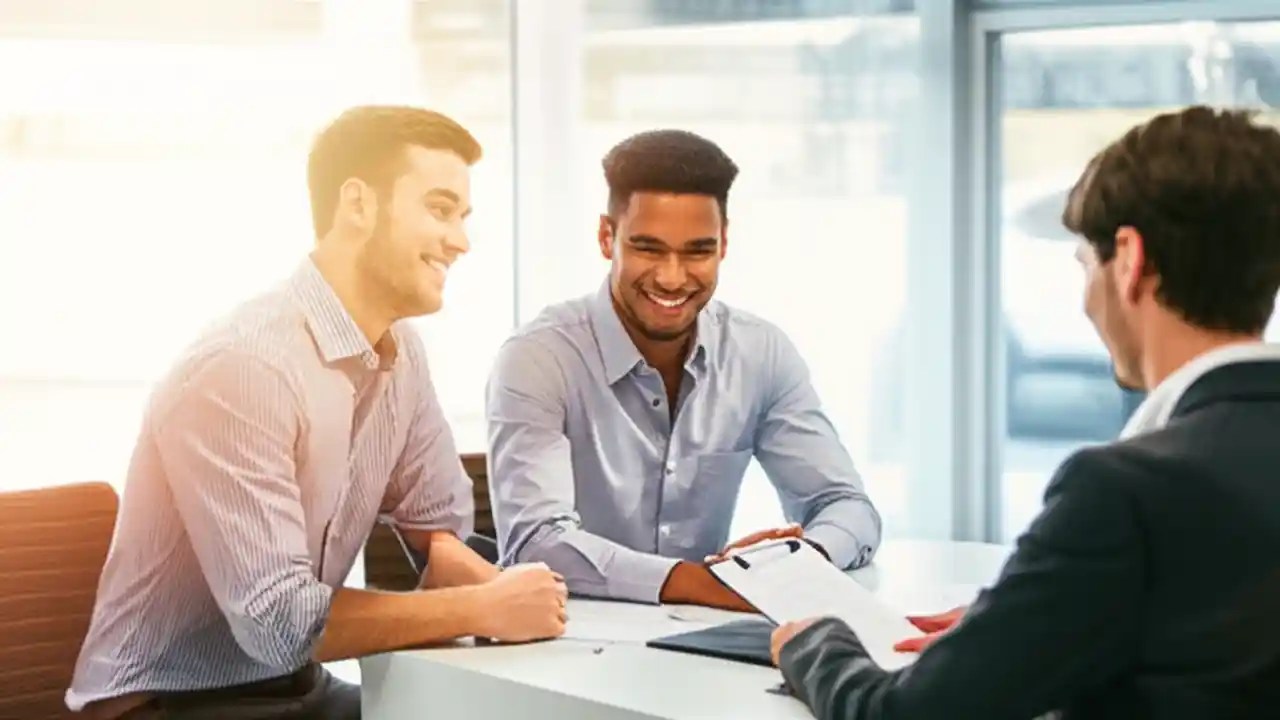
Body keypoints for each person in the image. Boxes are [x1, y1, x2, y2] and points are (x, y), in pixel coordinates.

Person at [770, 105, 1280, 719]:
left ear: (1130, 259)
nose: (1084, 297)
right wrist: (1035, 626)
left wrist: (814, 642)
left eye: (1084, 265)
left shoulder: (1124, 491)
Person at [67, 106, 568, 720]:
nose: (461, 241)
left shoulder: (401, 351)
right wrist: (484, 608)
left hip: (295, 689)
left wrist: (493, 585)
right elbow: (279, 623)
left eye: (463, 218)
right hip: (166, 705)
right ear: (357, 205)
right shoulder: (244, 367)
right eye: (440, 210)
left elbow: (437, 532)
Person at [485, 129, 881, 611]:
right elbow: (535, 543)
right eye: (648, 248)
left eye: (697, 251)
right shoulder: (538, 357)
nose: (672, 278)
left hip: (700, 643)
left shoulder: (760, 353)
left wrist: (802, 560)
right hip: (568, 644)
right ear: (607, 237)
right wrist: (705, 585)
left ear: (724, 243)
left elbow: (847, 507)